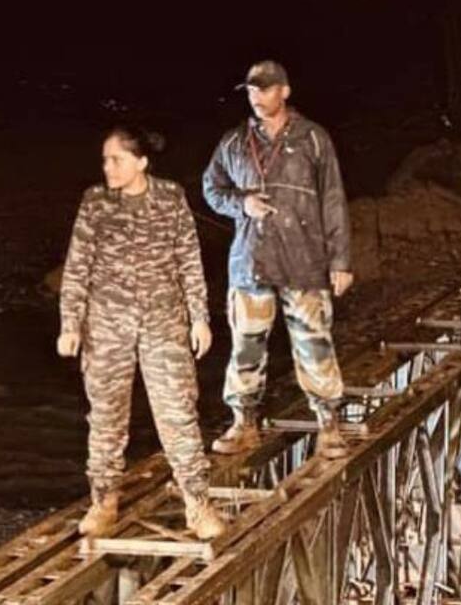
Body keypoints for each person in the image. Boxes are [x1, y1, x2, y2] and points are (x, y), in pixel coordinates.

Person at [58, 127, 225, 539]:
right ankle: (104, 501)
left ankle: (196, 503)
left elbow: (189, 258)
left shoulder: (169, 198)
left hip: (163, 323)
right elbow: (77, 266)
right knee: (106, 417)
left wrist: (199, 318)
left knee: (177, 412)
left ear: (141, 161)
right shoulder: (95, 203)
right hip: (106, 326)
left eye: (115, 159)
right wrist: (70, 323)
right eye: (104, 160)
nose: (107, 167)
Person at [203, 60, 353, 460]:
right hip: (251, 262)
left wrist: (340, 260)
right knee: (246, 347)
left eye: (264, 89)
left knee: (314, 344)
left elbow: (334, 200)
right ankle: (243, 423)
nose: (257, 97)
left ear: (284, 91)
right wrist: (242, 203)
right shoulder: (235, 142)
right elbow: (210, 188)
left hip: (304, 261)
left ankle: (329, 424)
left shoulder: (313, 139)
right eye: (251, 90)